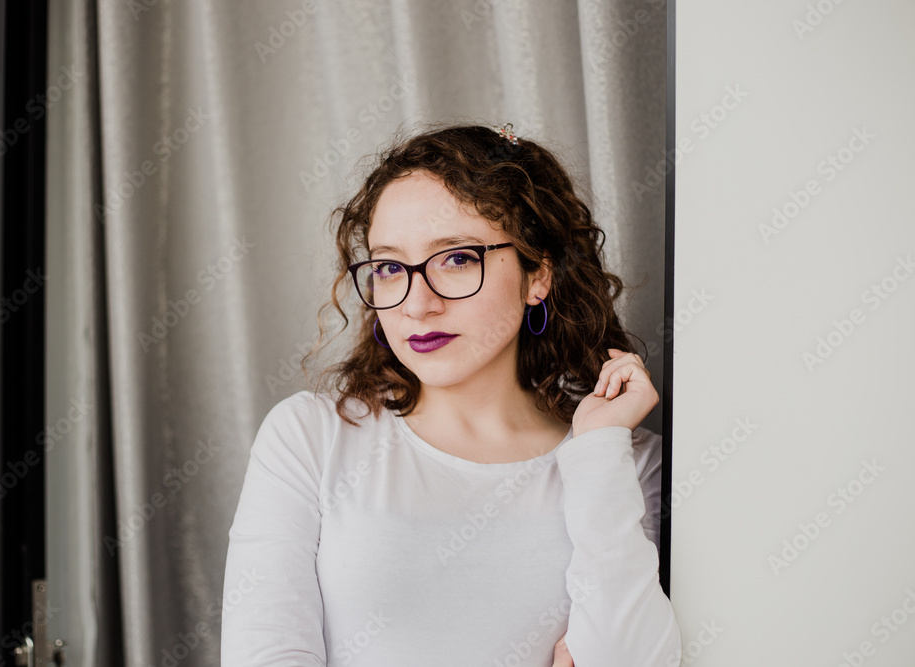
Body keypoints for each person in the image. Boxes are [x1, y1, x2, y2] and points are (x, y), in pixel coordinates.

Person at [220, 122, 682, 666]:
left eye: (457, 258)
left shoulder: (625, 464)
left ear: (539, 273)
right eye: (391, 268)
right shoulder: (310, 438)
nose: (417, 304)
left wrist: (600, 450)